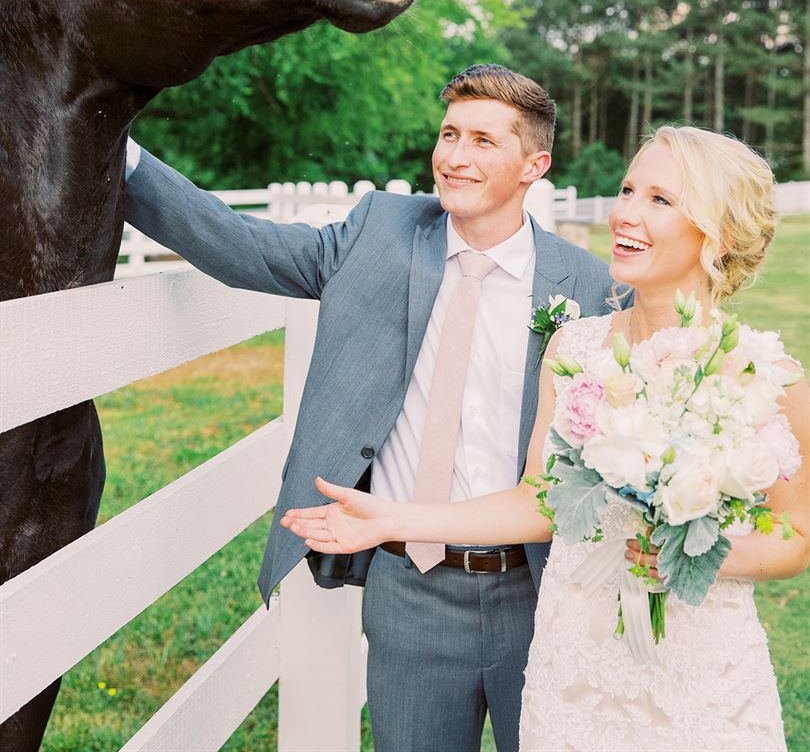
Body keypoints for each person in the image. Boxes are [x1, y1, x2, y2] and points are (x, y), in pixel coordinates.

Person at [123, 63, 615, 752]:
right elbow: (247, 248)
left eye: (481, 140)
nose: (454, 156)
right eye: (449, 134)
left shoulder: (587, 284)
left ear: (534, 164)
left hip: (541, 589)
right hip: (409, 588)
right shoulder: (379, 234)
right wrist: (120, 156)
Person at [281, 125, 810, 752]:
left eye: (660, 201)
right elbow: (541, 500)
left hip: (699, 672)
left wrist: (692, 552)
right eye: (627, 189)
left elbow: (795, 537)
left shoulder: (764, 376)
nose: (626, 214)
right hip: (574, 667)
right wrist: (389, 519)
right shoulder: (577, 347)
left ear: (716, 234)